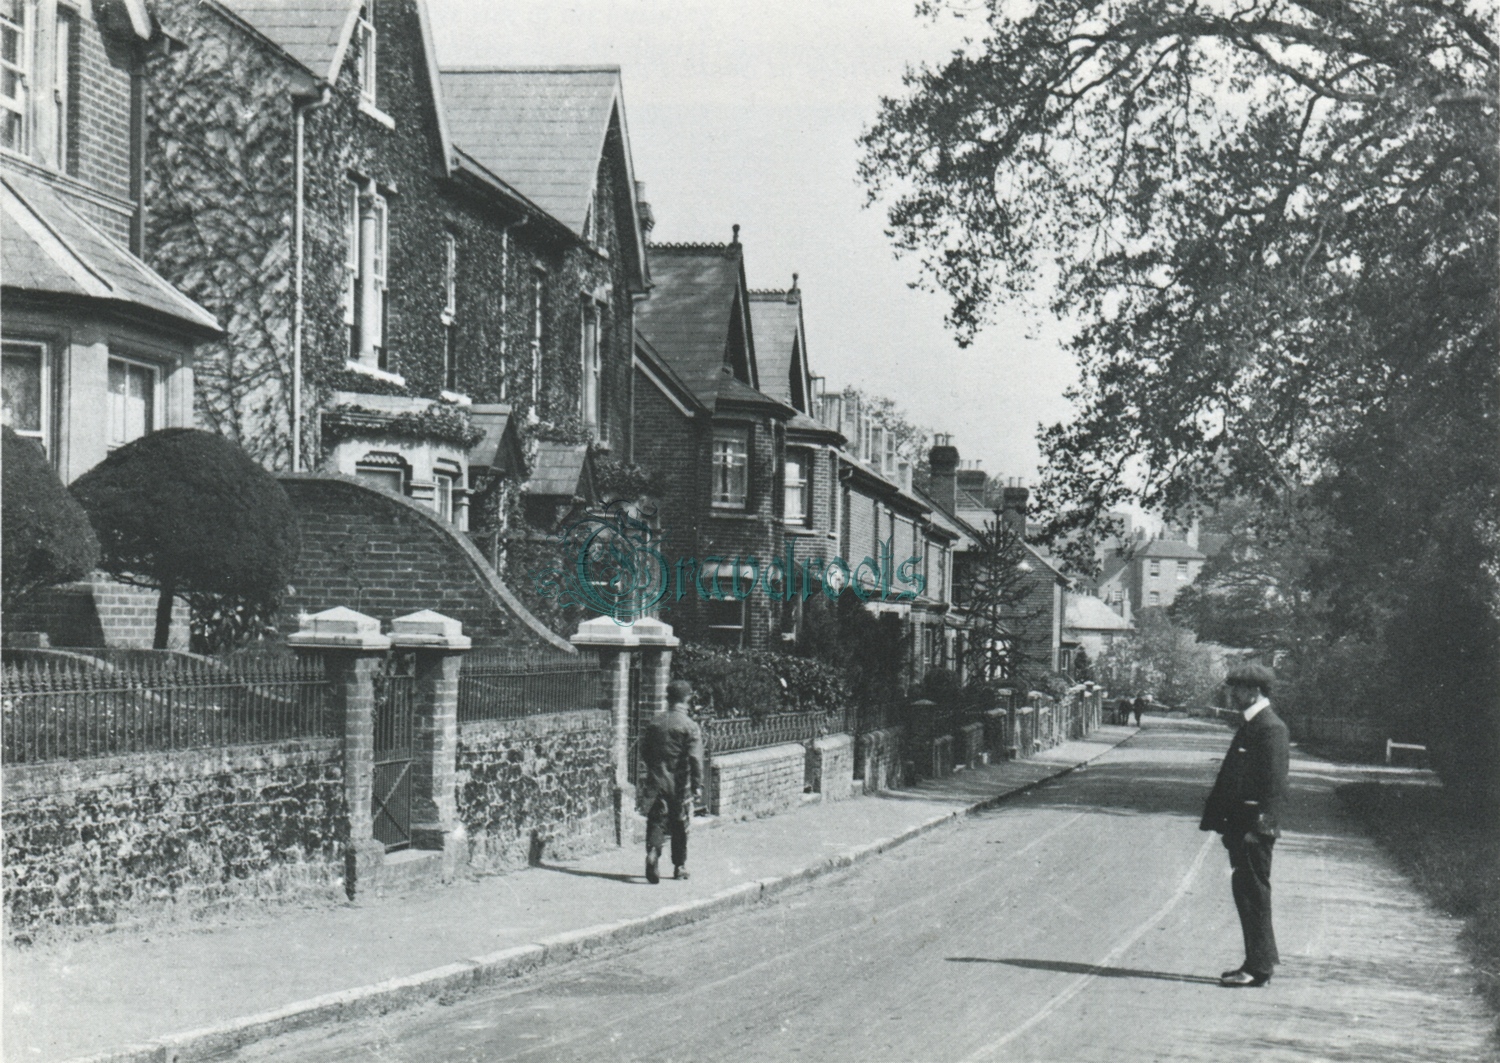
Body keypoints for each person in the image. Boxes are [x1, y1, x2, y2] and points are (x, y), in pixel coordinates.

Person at [1200, 663, 1290, 987]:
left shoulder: (1270, 728)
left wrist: (1261, 829)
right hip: (1242, 827)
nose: (1232, 694)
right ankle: (1257, 962)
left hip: (1253, 830)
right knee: (1248, 894)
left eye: (1237, 689)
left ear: (1254, 691)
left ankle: (1258, 968)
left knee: (1253, 896)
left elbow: (1274, 787)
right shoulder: (1255, 724)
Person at [640, 678, 704, 884]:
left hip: (656, 780)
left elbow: (644, 752)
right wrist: (697, 784)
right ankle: (679, 866)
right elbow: (695, 758)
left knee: (657, 820)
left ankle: (653, 852)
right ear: (687, 699)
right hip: (678, 782)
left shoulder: (655, 722)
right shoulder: (689, 726)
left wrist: (654, 770)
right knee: (679, 823)